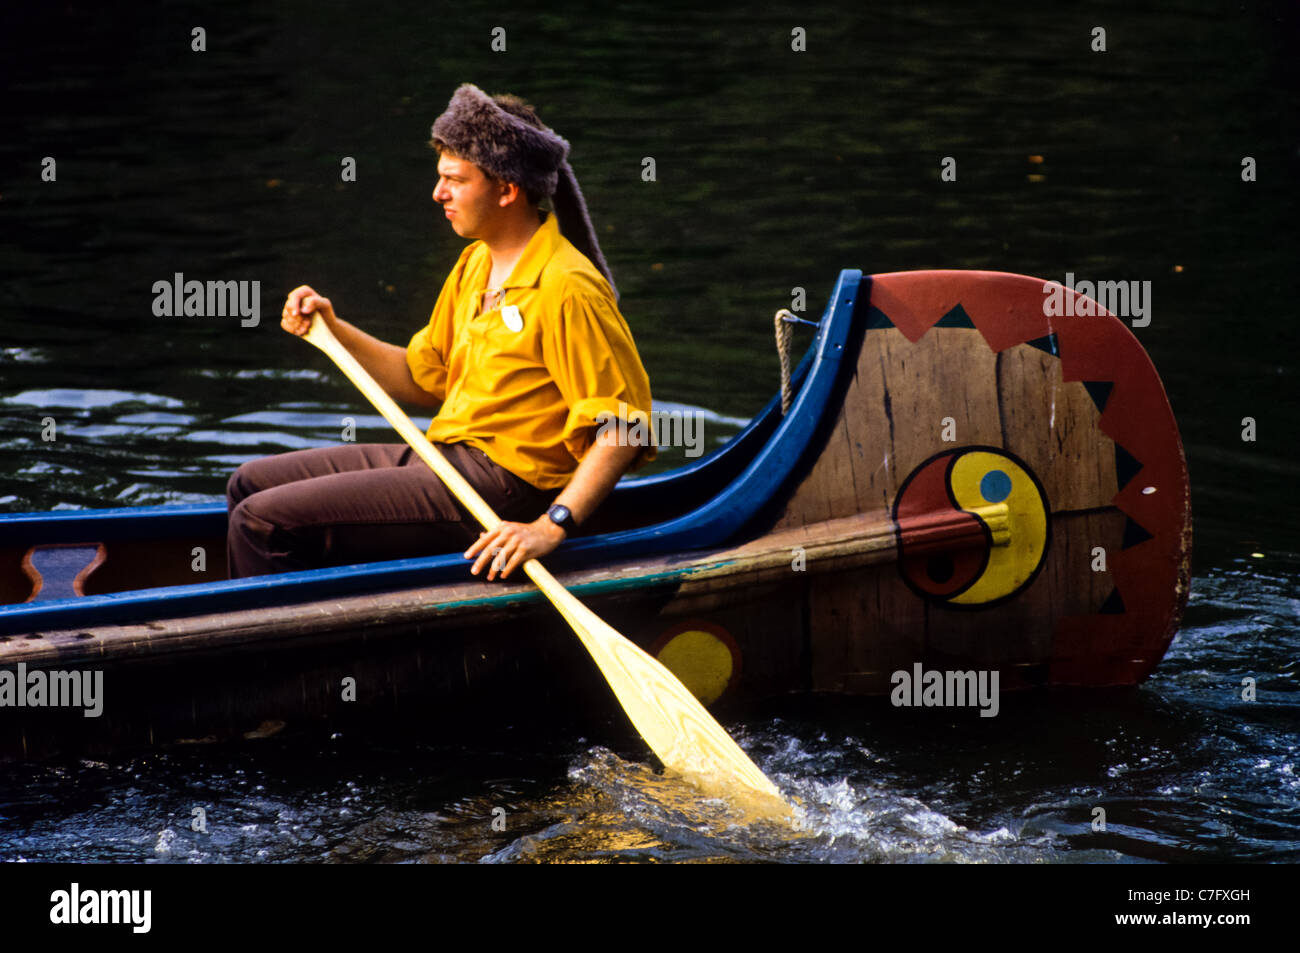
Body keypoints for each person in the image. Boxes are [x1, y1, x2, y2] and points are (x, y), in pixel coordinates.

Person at [226, 84, 654, 582]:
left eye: (454, 180)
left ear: (506, 189)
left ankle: (280, 649)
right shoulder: (476, 261)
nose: (438, 194)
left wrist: (549, 525)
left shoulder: (567, 287)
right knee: (247, 485)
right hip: (448, 454)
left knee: (263, 522)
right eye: (440, 177)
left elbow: (623, 427)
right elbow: (420, 378)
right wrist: (333, 330)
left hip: (506, 487)